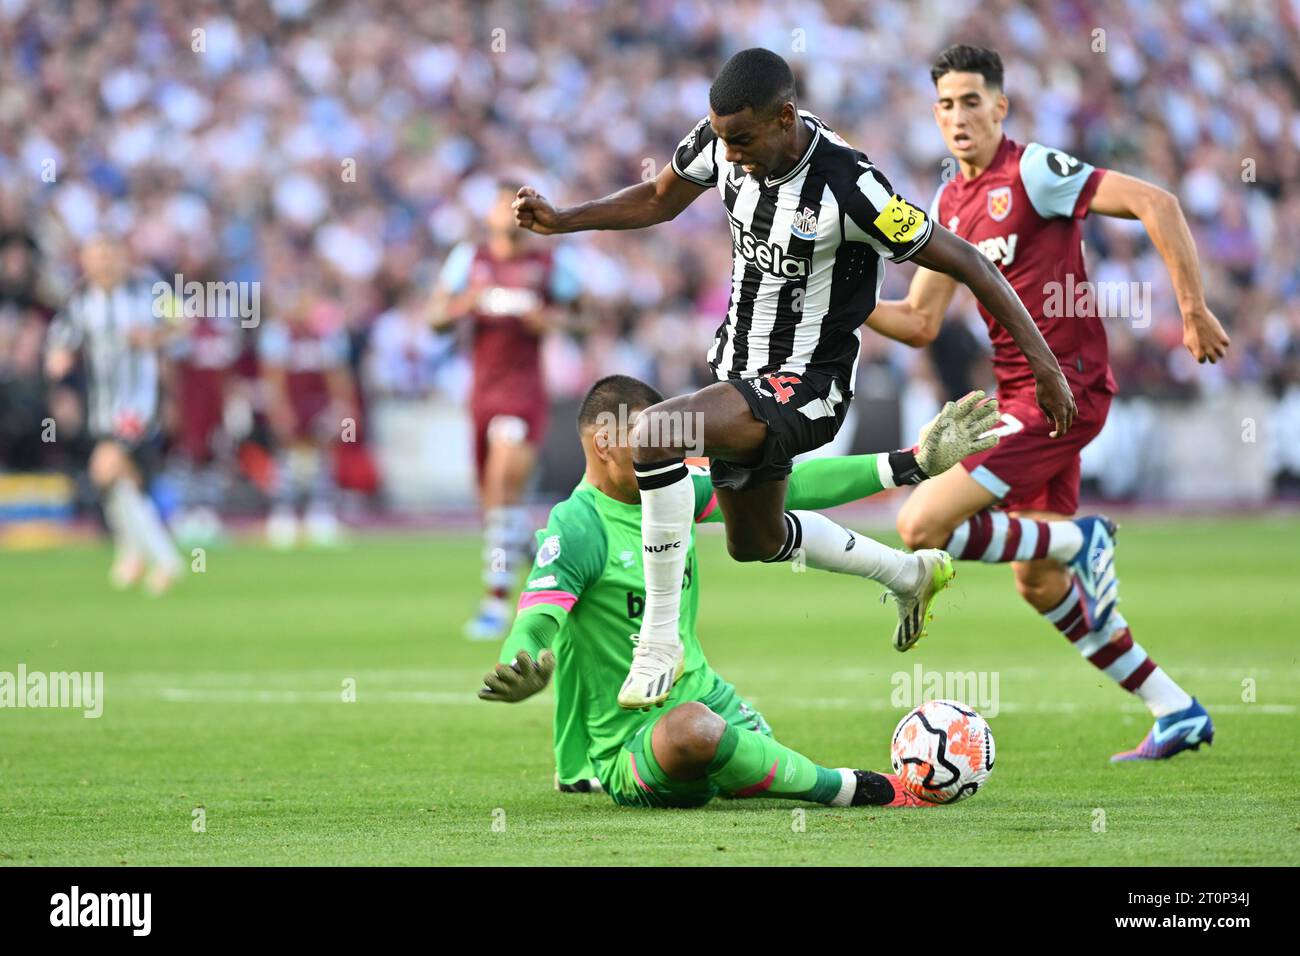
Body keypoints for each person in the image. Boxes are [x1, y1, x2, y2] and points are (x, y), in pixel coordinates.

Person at [514, 48, 1076, 709]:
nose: (731, 156)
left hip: (810, 385)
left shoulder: (851, 184)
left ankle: (659, 641)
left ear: (785, 117)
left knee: (657, 434)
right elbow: (661, 198)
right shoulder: (724, 138)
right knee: (756, 541)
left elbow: (970, 262)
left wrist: (1045, 364)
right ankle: (909, 573)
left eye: (744, 140)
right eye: (723, 140)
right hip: (738, 373)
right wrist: (564, 219)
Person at [868, 45, 1230, 761]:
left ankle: (1084, 539)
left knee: (918, 524)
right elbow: (919, 321)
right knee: (1037, 582)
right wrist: (845, 304)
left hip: (1067, 389)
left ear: (1000, 107)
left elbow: (1156, 202)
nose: (958, 116)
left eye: (972, 100)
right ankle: (1174, 707)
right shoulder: (948, 203)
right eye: (946, 104)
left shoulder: (1033, 172)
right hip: (1017, 397)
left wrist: (1192, 309)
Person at [477, 374, 998, 808]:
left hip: (708, 695)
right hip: (630, 741)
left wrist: (911, 463)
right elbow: (537, 619)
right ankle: (859, 789)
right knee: (692, 734)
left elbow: (793, 486)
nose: (664, 453)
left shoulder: (670, 491)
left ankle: (742, 756)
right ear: (606, 443)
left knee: (718, 738)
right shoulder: (578, 526)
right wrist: (519, 664)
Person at [432, 183, 581, 640]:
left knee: (503, 483)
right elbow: (434, 319)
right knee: (493, 503)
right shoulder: (468, 260)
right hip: (482, 394)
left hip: (524, 391)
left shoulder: (550, 265)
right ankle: (539, 555)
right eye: (502, 203)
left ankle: (495, 602)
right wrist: (465, 304)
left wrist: (553, 321)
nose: (510, 211)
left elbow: (588, 317)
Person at [44, 236, 182, 594]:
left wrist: (153, 337)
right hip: (103, 407)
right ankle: (134, 552)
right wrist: (59, 369)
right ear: (85, 261)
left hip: (139, 403)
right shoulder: (80, 300)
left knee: (104, 467)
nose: (103, 264)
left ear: (124, 257)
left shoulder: (148, 288)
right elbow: (61, 342)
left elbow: (184, 323)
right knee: (124, 480)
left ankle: (166, 559)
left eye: (109, 256)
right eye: (96, 257)